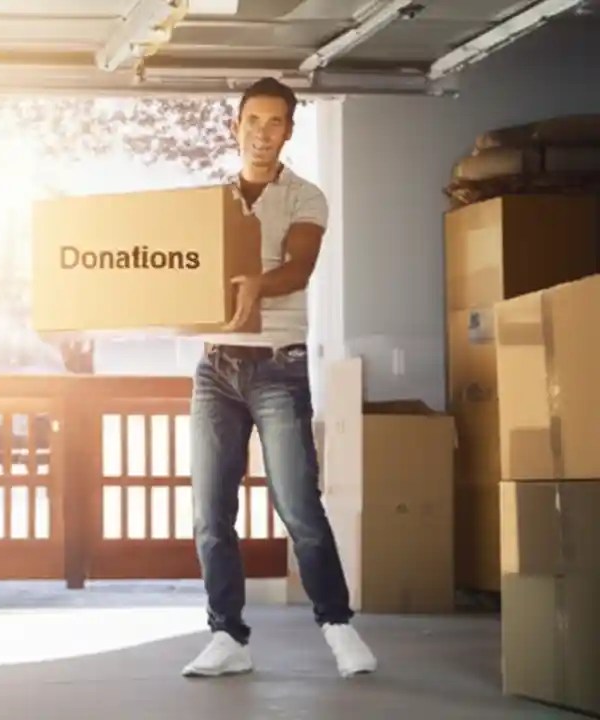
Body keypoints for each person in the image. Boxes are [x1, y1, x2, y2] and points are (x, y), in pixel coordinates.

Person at [180, 78, 377, 679]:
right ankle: (227, 637)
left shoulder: (304, 197)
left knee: (298, 507)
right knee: (211, 515)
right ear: (234, 127)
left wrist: (258, 286)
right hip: (215, 367)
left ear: (288, 131)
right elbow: (181, 270)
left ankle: (338, 626)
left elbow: (299, 266)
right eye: (252, 121)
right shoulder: (208, 201)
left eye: (274, 123)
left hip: (278, 367)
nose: (261, 133)